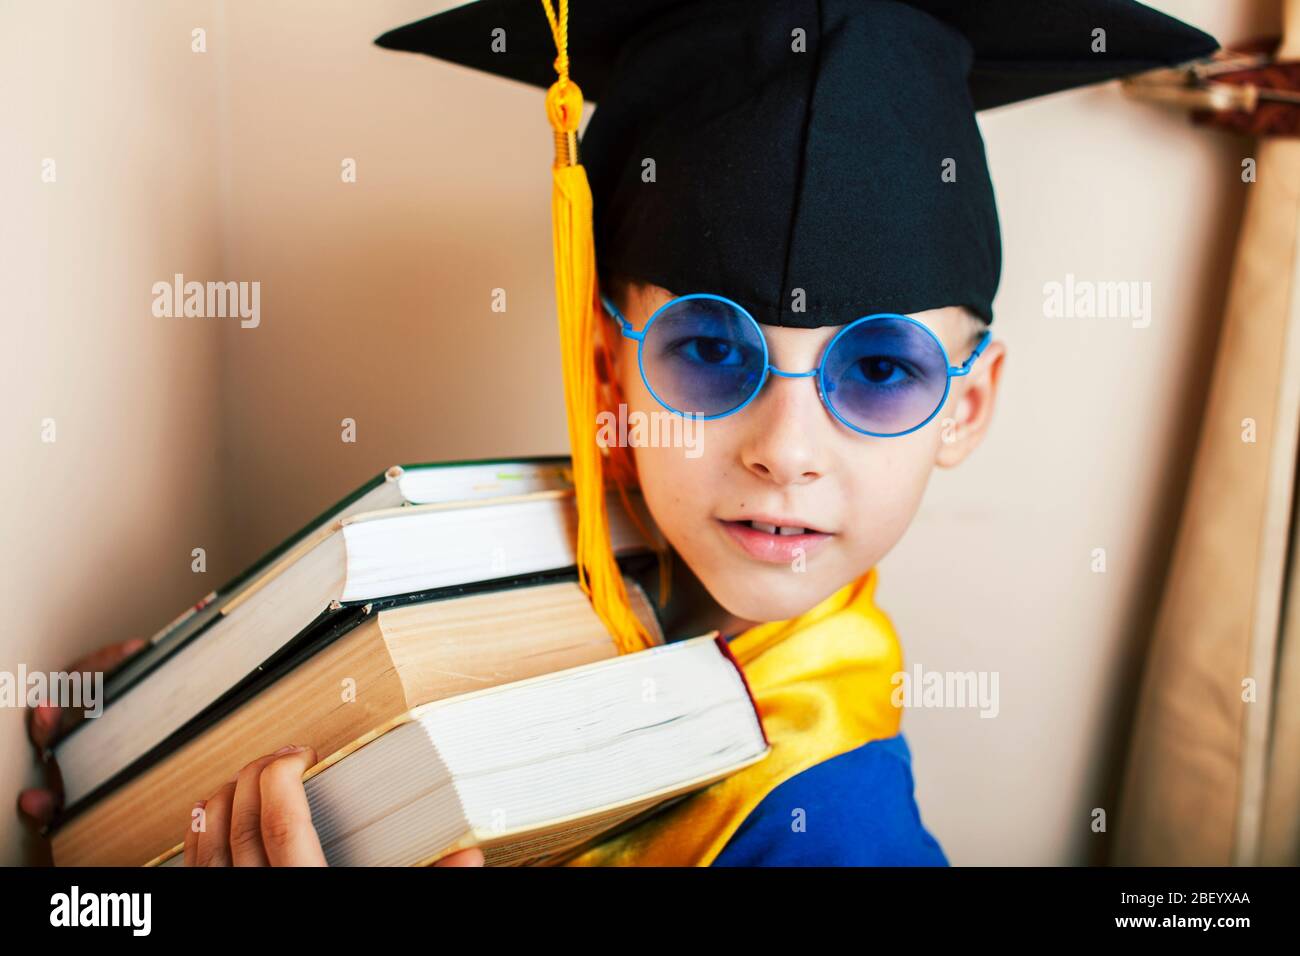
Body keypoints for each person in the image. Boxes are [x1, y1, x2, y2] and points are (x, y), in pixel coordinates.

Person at [19, 0, 1218, 866]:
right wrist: (203, 723)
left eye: (881, 367)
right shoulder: (492, 586)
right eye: (709, 348)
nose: (784, 445)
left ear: (966, 402)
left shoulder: (837, 832)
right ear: (608, 365)